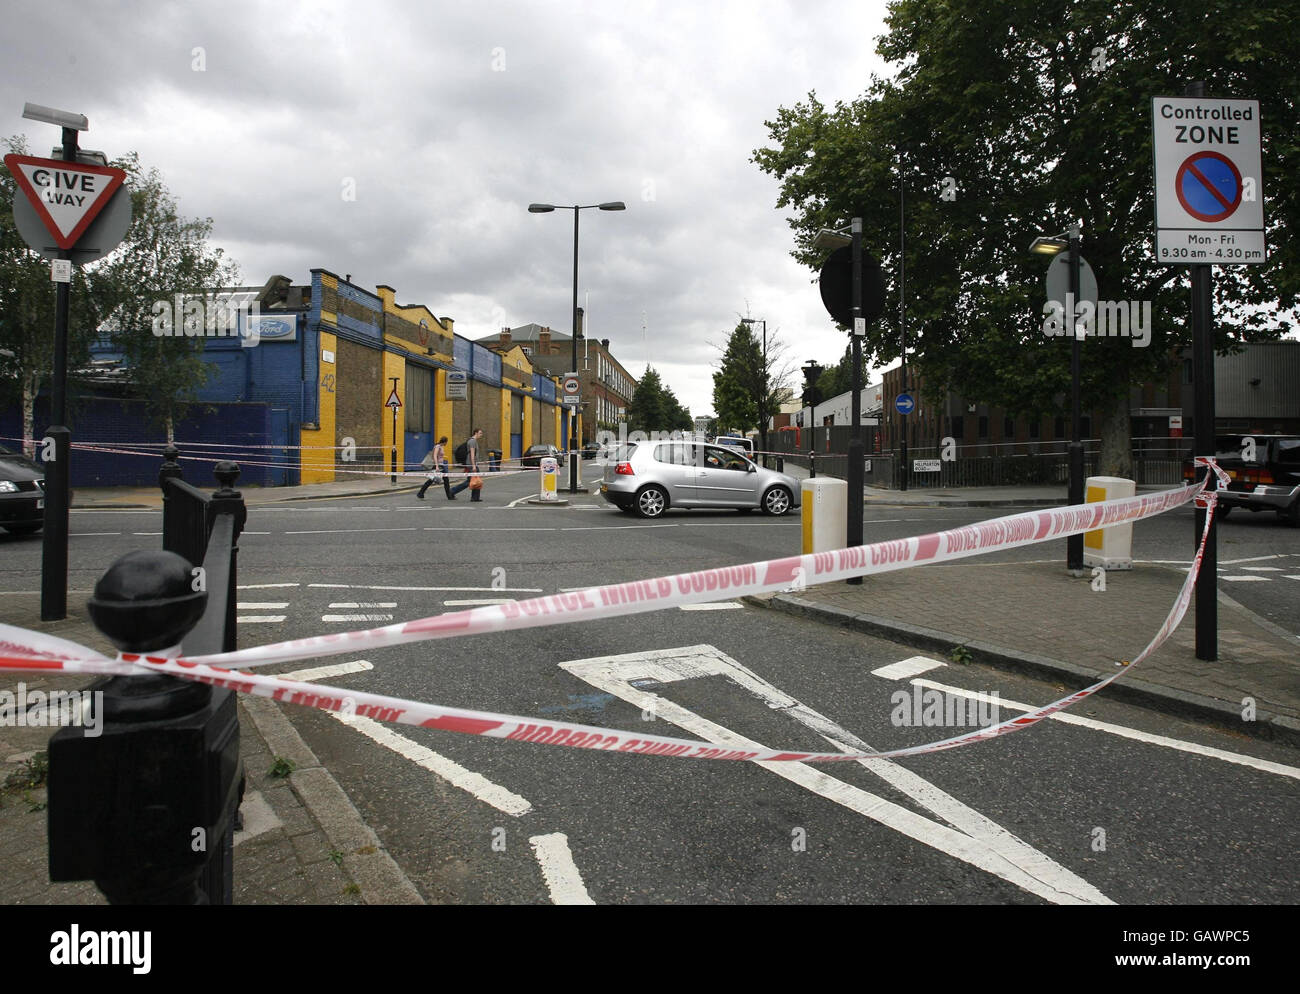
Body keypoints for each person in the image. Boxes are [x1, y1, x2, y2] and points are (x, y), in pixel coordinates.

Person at [448, 428, 484, 501]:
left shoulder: (472, 441)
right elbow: (472, 454)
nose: (481, 435)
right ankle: (452, 491)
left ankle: (475, 497)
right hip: (471, 464)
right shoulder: (472, 441)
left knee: (474, 480)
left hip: (471, 464)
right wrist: (474, 466)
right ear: (475, 433)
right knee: (472, 481)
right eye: (480, 433)